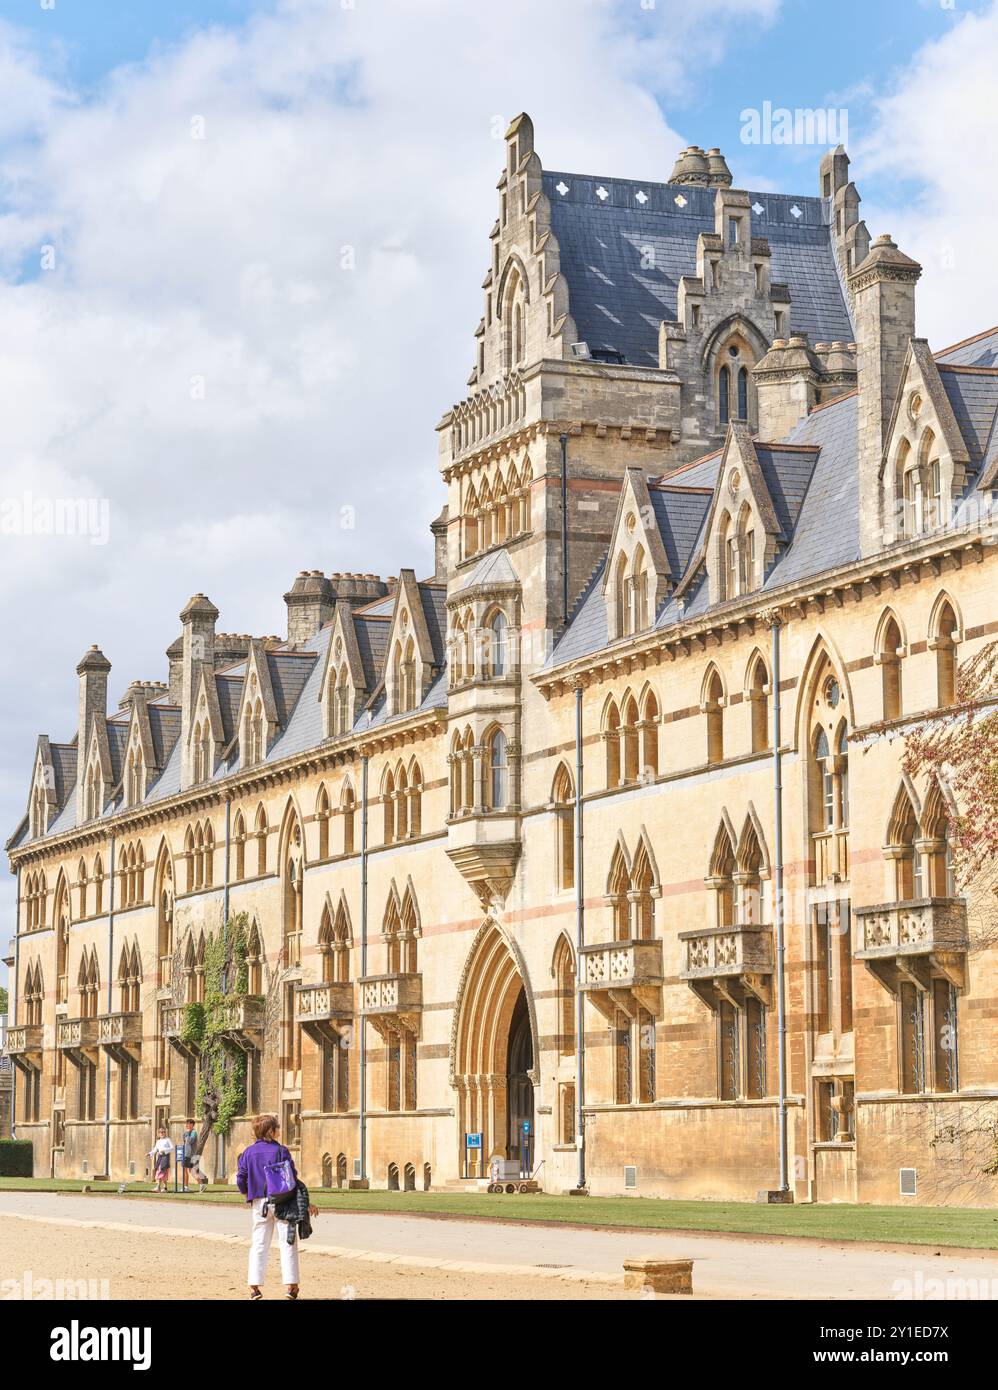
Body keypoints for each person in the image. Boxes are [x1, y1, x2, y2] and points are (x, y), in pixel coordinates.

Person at [236, 1114, 316, 1300]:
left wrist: (247, 1194)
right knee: (288, 1242)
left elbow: (241, 1178)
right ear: (270, 1131)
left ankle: (254, 1288)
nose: (279, 1129)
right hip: (282, 1201)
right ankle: (291, 1286)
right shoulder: (281, 1151)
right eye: (277, 1127)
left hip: (259, 1203)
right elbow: (292, 1179)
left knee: (259, 1243)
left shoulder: (248, 1152)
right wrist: (304, 1201)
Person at [182, 1119, 208, 1194]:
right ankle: (200, 1184)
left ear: (192, 1125)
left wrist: (186, 1135)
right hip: (186, 1154)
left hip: (189, 1155)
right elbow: (184, 1140)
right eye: (186, 1124)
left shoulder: (193, 1132)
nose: (186, 1125)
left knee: (188, 1170)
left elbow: (190, 1141)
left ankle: (188, 1187)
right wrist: (186, 1135)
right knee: (190, 1171)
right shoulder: (187, 1132)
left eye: (188, 1124)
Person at [147, 1128, 172, 1193]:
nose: (162, 1133)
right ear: (158, 1133)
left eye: (163, 1132)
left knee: (161, 1170)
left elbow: (172, 1148)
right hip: (160, 1157)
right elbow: (155, 1149)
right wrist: (150, 1153)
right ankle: (165, 1188)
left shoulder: (168, 1140)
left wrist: (165, 1150)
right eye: (161, 1132)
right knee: (160, 1170)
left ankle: (158, 1187)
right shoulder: (158, 1141)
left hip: (165, 1157)